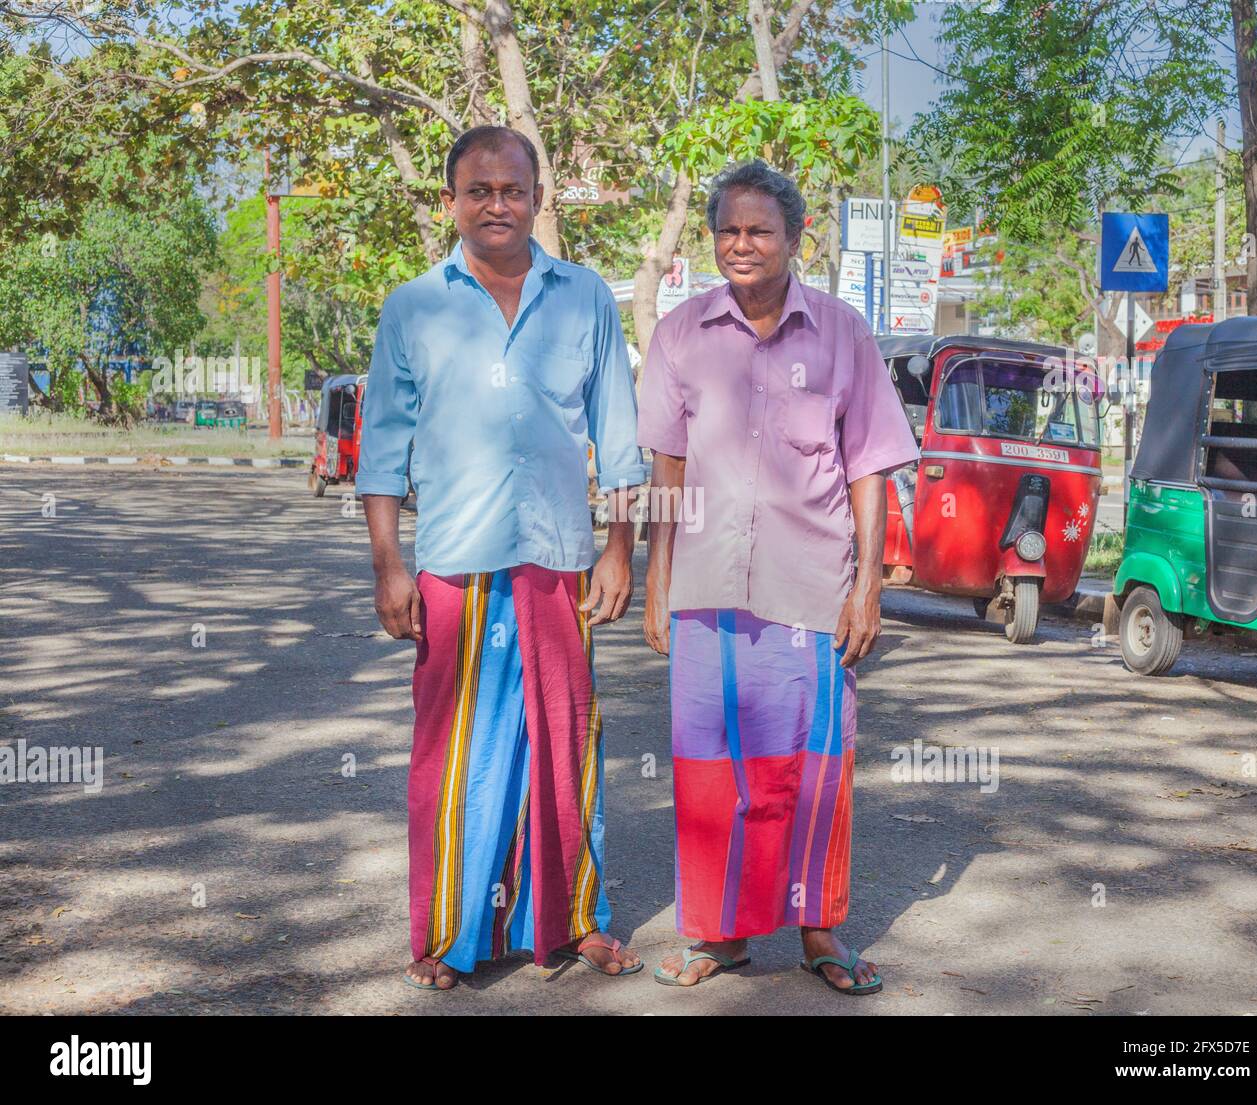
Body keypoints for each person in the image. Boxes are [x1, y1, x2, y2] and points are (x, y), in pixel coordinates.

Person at [357, 125, 646, 992]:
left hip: (559, 559)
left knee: (564, 745)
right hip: (454, 564)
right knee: (455, 758)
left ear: (536, 199)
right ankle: (449, 933)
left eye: (512, 189)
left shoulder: (586, 296)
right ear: (450, 201)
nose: (496, 203)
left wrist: (619, 548)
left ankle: (569, 919)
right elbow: (382, 448)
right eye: (478, 189)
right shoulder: (416, 304)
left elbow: (620, 436)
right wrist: (387, 563)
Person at [638, 160, 920, 994]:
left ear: (796, 240)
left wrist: (868, 585)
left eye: (760, 230)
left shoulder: (843, 334)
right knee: (710, 769)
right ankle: (718, 935)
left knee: (813, 767)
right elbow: (668, 467)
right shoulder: (681, 334)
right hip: (707, 590)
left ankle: (820, 930)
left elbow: (871, 466)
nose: (742, 244)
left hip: (812, 592)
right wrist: (658, 579)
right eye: (729, 229)